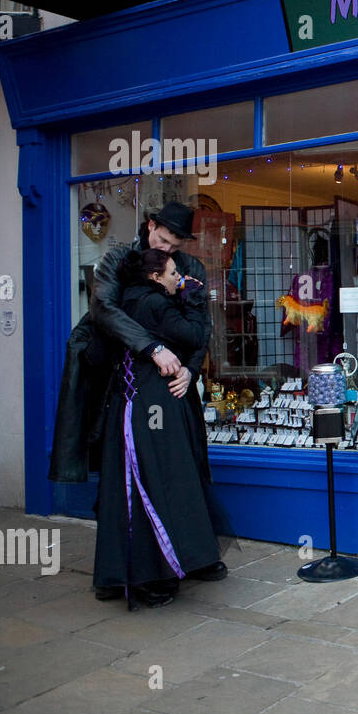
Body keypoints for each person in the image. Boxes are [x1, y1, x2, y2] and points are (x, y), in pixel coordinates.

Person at [50, 201, 227, 583]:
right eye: (163, 242)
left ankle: (192, 554)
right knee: (132, 476)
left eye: (175, 248)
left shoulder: (189, 268)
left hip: (175, 388)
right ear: (150, 227)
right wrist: (153, 348)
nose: (167, 252)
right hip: (128, 384)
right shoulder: (118, 261)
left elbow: (201, 328)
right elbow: (104, 311)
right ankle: (142, 567)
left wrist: (191, 371)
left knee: (185, 469)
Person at [92, 248, 224, 608]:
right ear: (154, 277)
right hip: (151, 407)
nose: (177, 277)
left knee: (135, 487)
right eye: (171, 273)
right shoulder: (153, 304)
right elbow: (195, 336)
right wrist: (194, 298)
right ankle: (151, 576)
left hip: (134, 402)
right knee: (159, 481)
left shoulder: (134, 299)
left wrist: (187, 369)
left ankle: (131, 572)